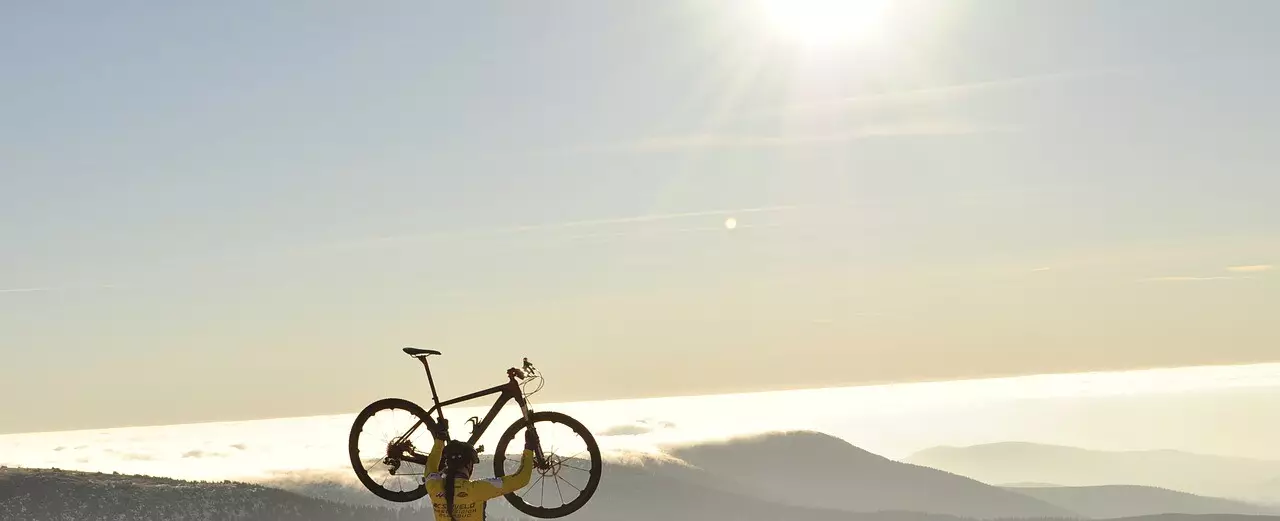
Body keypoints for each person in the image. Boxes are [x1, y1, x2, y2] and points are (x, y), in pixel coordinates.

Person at [423, 418, 539, 521]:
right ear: (469, 465)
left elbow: (431, 465)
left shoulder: (433, 486)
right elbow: (521, 479)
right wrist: (529, 448)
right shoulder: (476, 490)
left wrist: (439, 440)